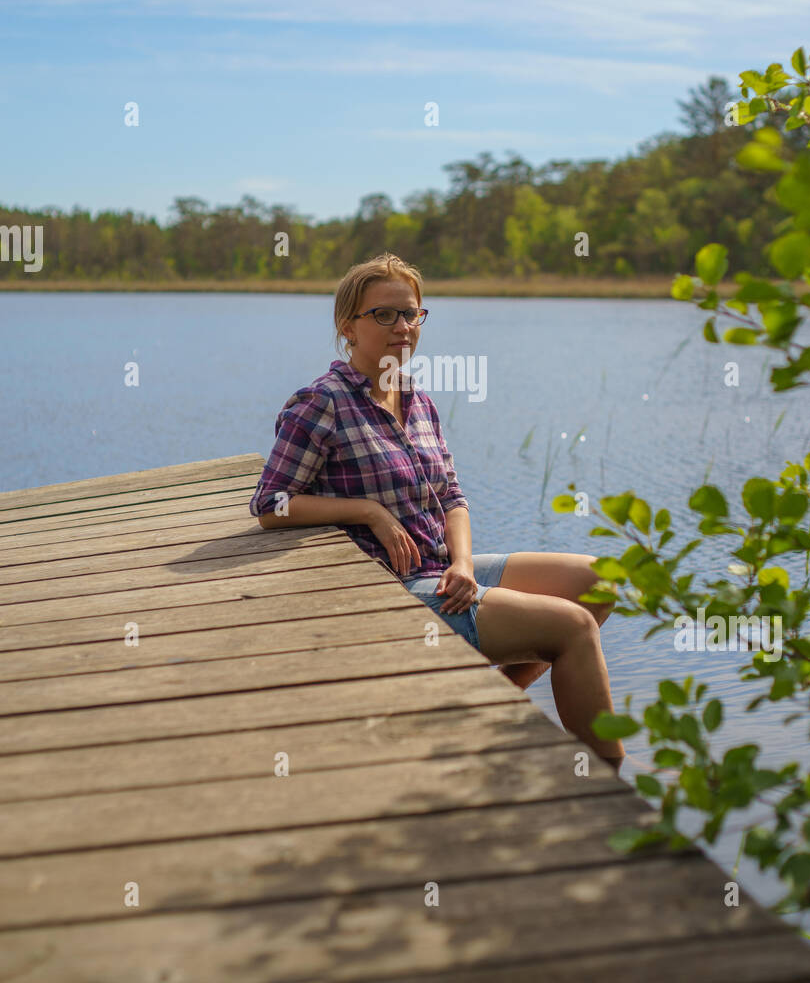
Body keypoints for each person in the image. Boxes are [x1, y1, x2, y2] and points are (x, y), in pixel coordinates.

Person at [250, 252, 625, 774]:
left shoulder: (417, 400)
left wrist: (464, 564)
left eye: (411, 314)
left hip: (442, 568)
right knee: (573, 627)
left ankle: (489, 701)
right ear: (348, 327)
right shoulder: (321, 404)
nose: (402, 327)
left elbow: (453, 498)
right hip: (389, 586)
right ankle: (611, 776)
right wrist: (367, 512)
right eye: (384, 315)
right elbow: (271, 504)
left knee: (597, 582)